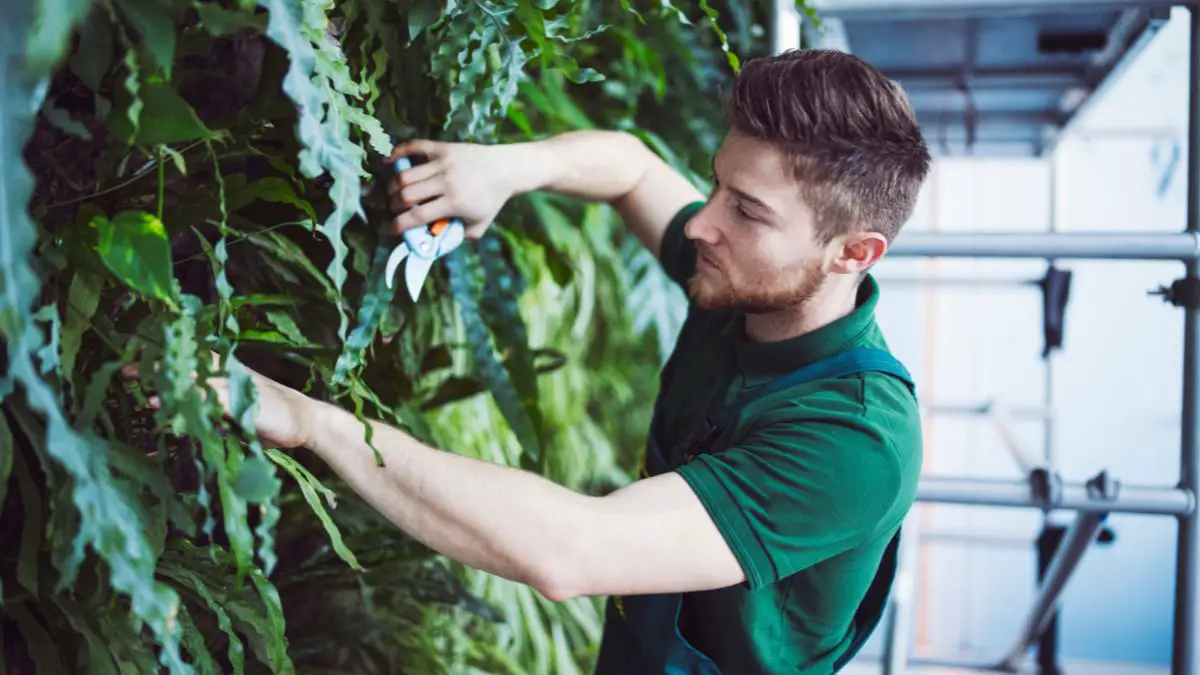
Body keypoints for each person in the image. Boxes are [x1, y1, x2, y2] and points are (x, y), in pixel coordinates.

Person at [173, 48, 931, 674]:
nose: (701, 221)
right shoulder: (743, 282)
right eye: (716, 185)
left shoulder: (856, 441)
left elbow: (572, 548)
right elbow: (632, 168)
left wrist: (311, 423)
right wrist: (505, 170)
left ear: (853, 254)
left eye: (747, 210)